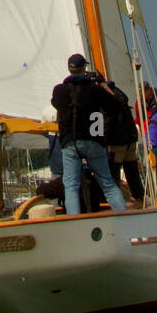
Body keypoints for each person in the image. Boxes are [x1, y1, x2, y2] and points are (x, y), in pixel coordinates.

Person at [51, 54, 126, 215]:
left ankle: (74, 222)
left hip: (70, 142)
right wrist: (102, 84)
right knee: (108, 184)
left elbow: (55, 103)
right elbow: (116, 105)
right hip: (93, 141)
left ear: (69, 69)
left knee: (71, 186)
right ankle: (124, 216)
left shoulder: (59, 90)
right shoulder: (95, 89)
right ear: (84, 68)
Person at [104, 81, 144, 204]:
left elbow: (105, 124)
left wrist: (101, 139)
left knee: (113, 174)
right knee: (132, 172)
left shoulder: (108, 102)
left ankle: (116, 203)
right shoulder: (122, 99)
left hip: (117, 142)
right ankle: (140, 198)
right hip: (130, 140)